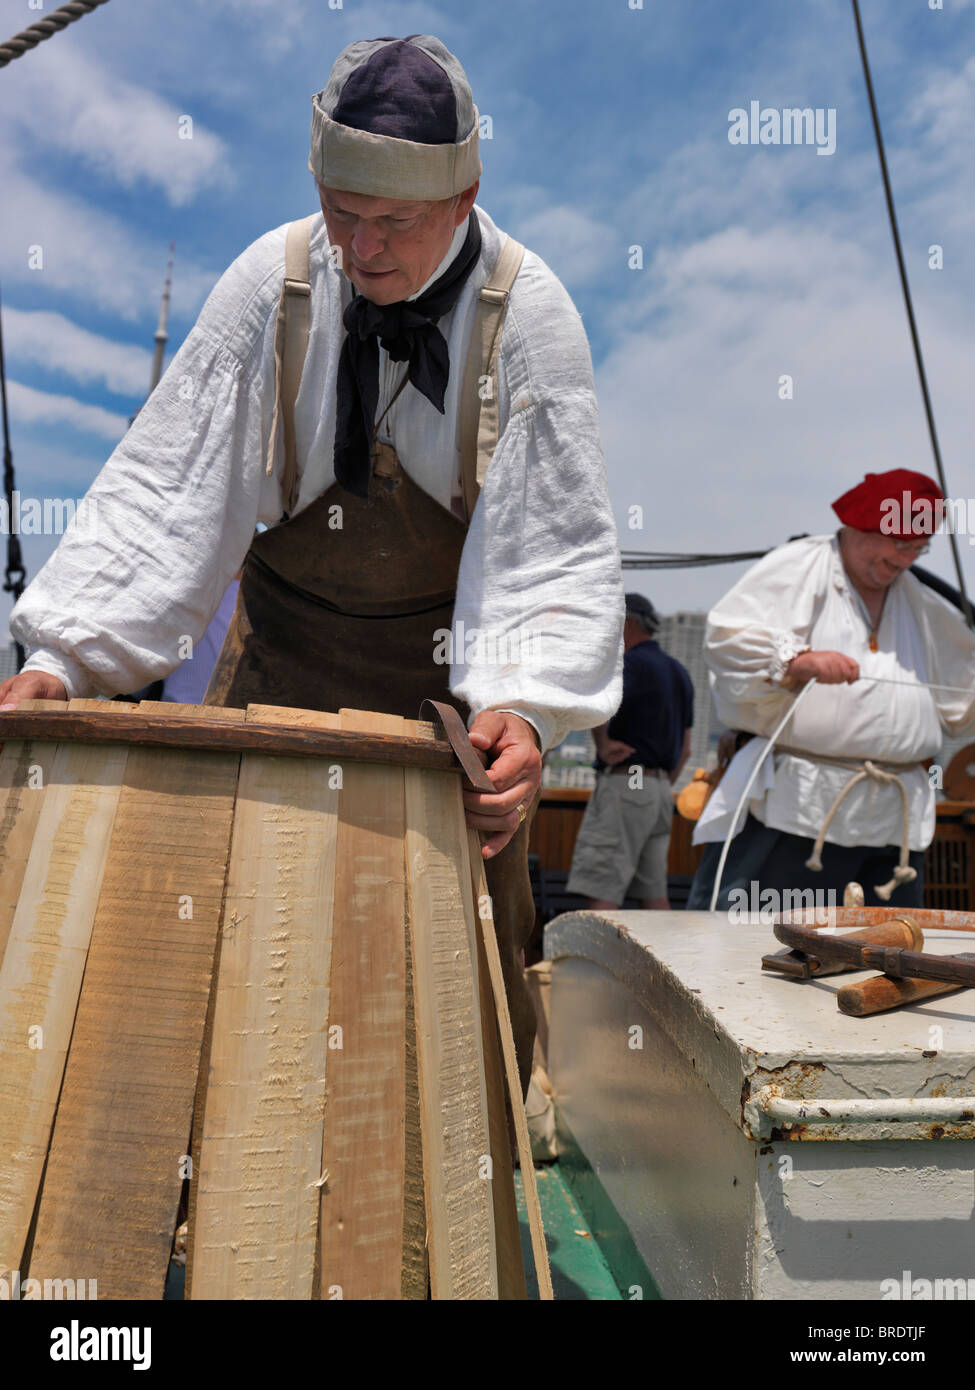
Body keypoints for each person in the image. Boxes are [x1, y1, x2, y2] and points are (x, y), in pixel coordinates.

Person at [0, 35, 624, 1091]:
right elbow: (166, 487)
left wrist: (522, 711)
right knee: (229, 977)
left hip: (444, 724)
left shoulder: (529, 317)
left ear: (464, 198)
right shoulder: (276, 281)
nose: (362, 248)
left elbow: (549, 551)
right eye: (342, 212)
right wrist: (62, 658)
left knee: (444, 1018)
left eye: (395, 223)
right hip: (274, 684)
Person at [687, 468, 975, 912]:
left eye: (919, 548)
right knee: (758, 943)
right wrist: (797, 662)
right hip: (796, 808)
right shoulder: (799, 565)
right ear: (861, 527)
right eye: (900, 544)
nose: (906, 560)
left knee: (886, 946)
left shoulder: (921, 601)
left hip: (893, 821)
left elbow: (962, 694)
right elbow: (728, 639)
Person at [566, 593, 693, 910]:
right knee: (654, 894)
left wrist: (603, 745)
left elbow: (598, 705)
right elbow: (687, 749)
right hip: (660, 791)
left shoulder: (628, 664)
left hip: (629, 782)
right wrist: (656, 783)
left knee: (603, 888)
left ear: (628, 622)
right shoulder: (679, 672)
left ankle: (596, 948)